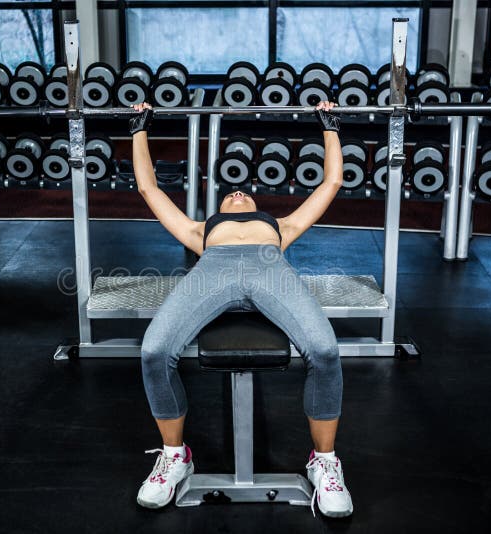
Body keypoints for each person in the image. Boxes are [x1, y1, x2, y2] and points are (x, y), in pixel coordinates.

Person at [130, 100, 352, 518]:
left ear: (259, 210)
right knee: (154, 351)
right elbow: (149, 189)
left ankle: (324, 462)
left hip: (271, 269)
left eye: (245, 193)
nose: (237, 192)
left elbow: (332, 182)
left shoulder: (281, 228)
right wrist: (139, 128)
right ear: (217, 213)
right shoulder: (199, 231)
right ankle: (175, 457)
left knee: (324, 351)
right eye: (230, 193)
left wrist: (330, 126)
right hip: (211, 271)